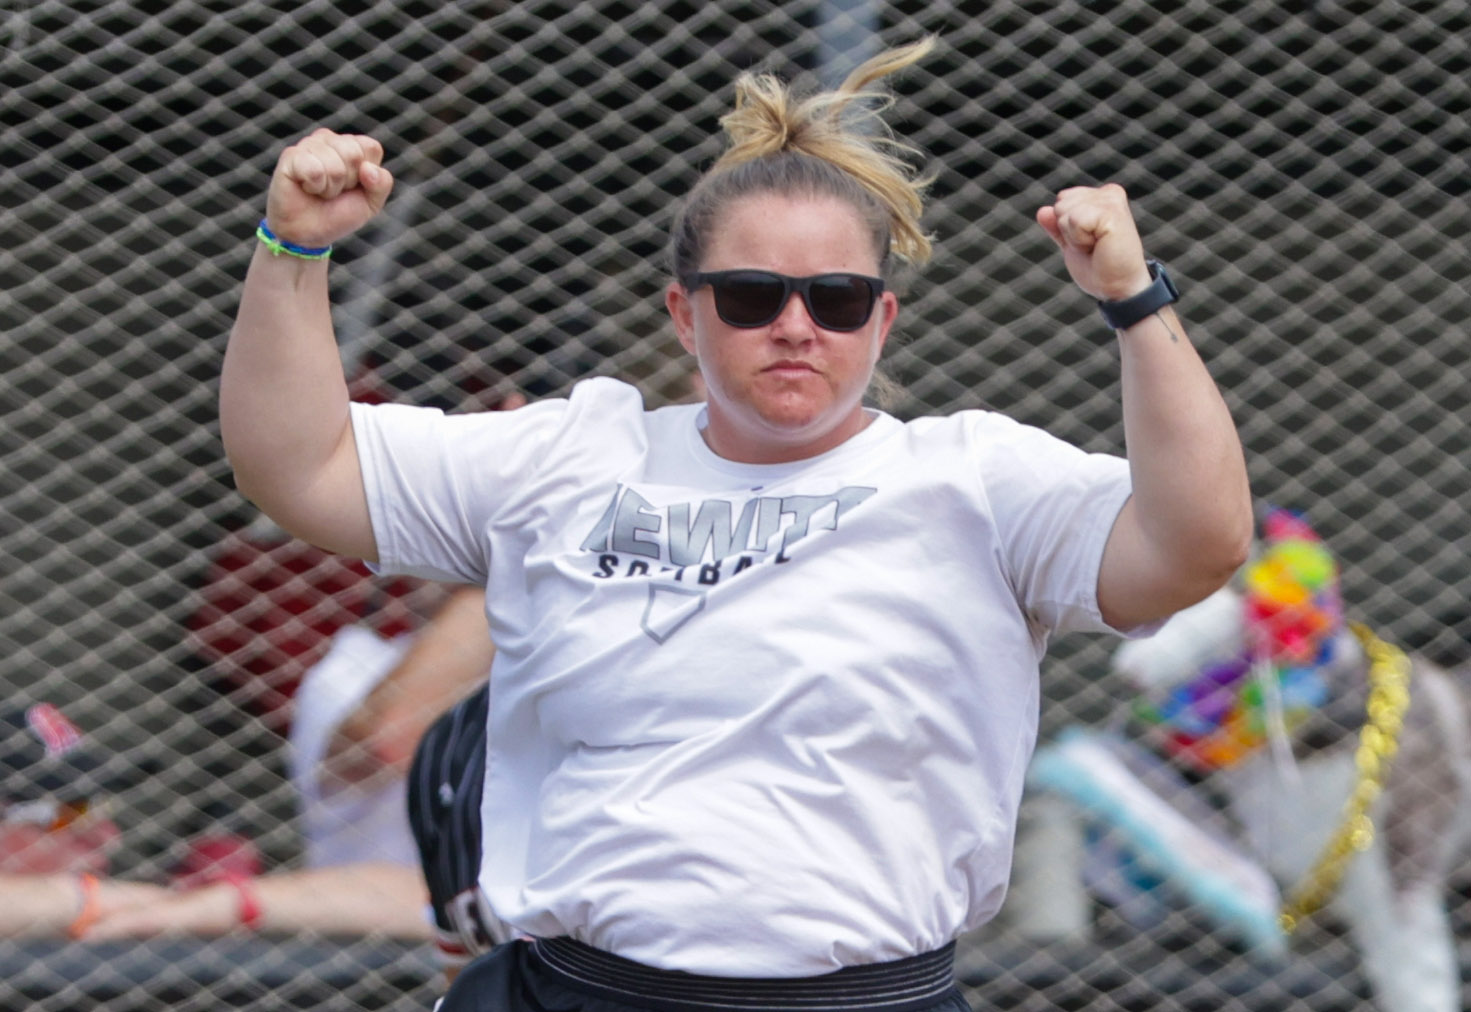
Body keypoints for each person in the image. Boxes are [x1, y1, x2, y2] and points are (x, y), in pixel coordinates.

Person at [219, 35, 1252, 1012]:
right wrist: (290, 250)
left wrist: (1130, 300)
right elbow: (301, 466)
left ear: (881, 319)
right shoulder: (574, 453)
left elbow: (1195, 541)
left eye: (837, 298)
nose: (795, 326)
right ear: (685, 312)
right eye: (752, 295)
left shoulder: (972, 479)